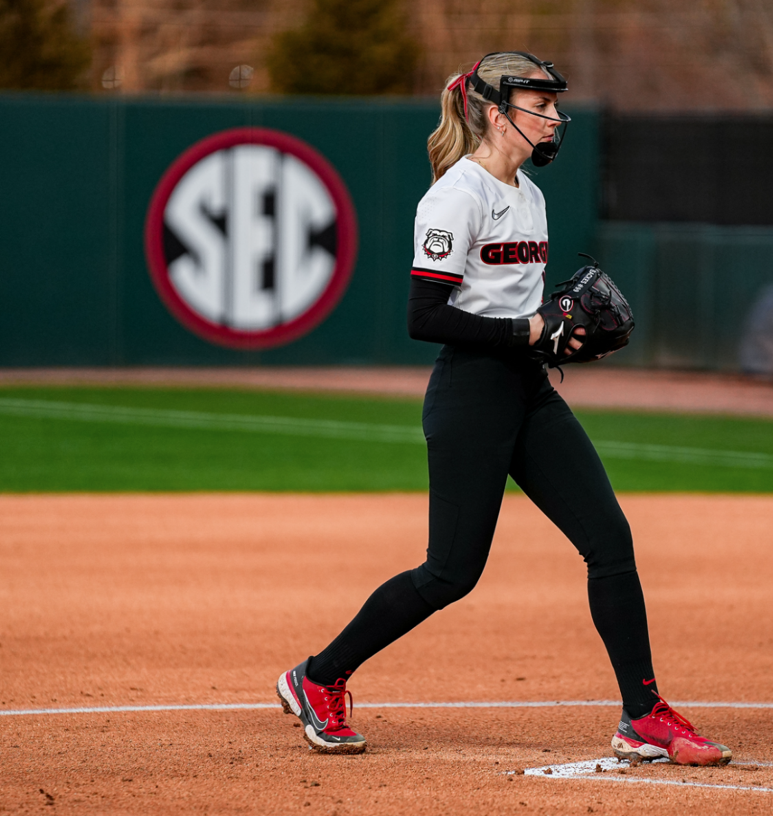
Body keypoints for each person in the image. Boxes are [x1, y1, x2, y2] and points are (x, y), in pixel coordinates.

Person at [277, 51, 731, 767]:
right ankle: (319, 675)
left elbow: (527, 310)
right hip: (471, 394)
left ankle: (642, 715)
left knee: (610, 540)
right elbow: (423, 318)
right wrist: (528, 330)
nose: (554, 117)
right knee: (450, 572)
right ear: (496, 112)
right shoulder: (456, 196)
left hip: (529, 390)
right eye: (540, 104)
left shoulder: (528, 194)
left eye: (556, 105)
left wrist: (563, 336)